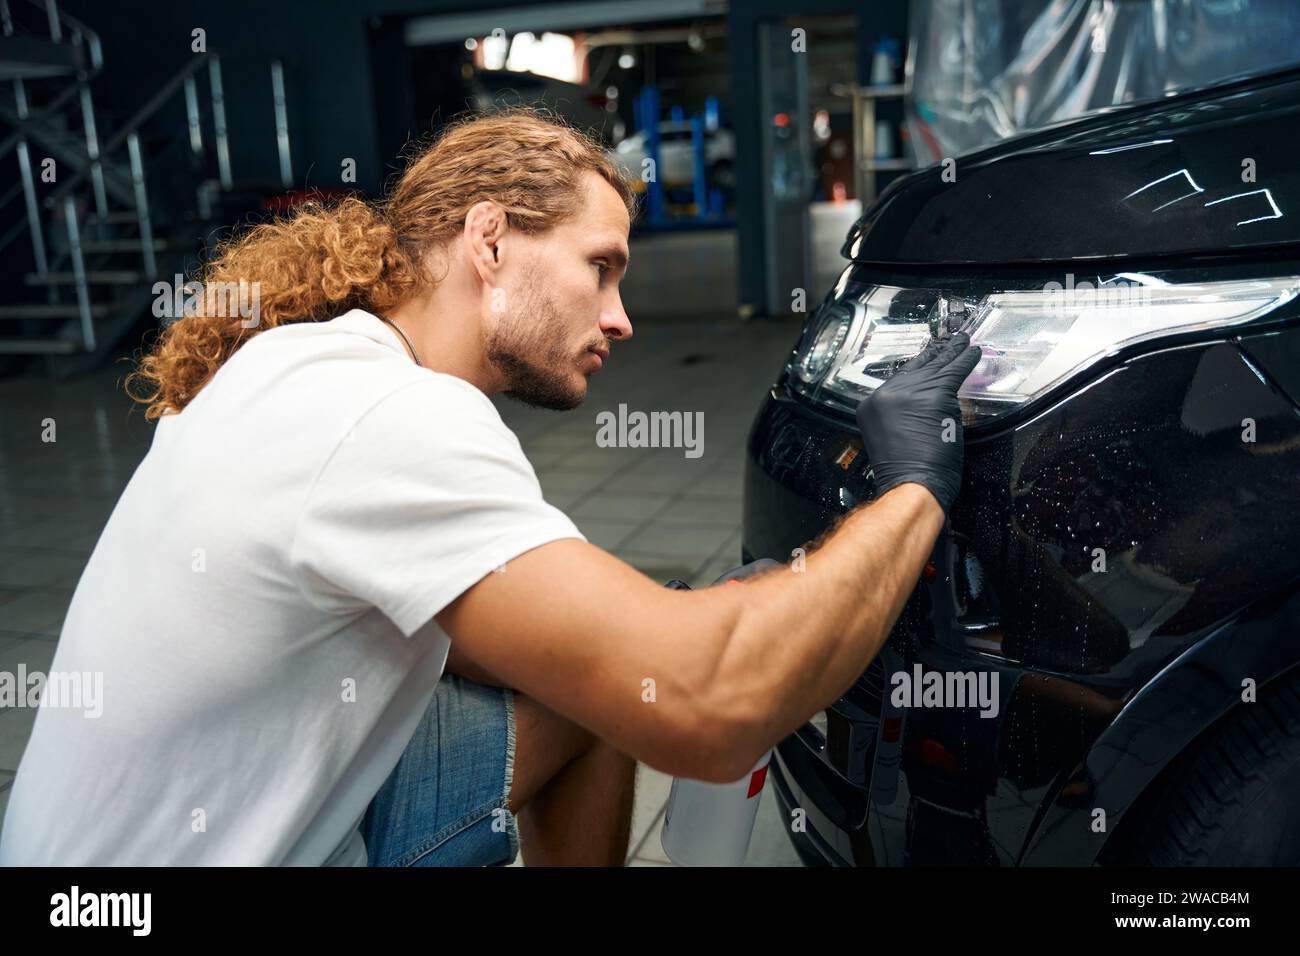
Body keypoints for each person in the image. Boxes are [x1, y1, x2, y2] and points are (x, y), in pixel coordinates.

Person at [0, 108, 979, 866]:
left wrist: (653, 630)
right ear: (490, 240)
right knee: (650, 677)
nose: (621, 316)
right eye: (600, 269)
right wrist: (911, 488)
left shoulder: (308, 358)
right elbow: (711, 701)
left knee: (597, 686)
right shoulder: (391, 416)